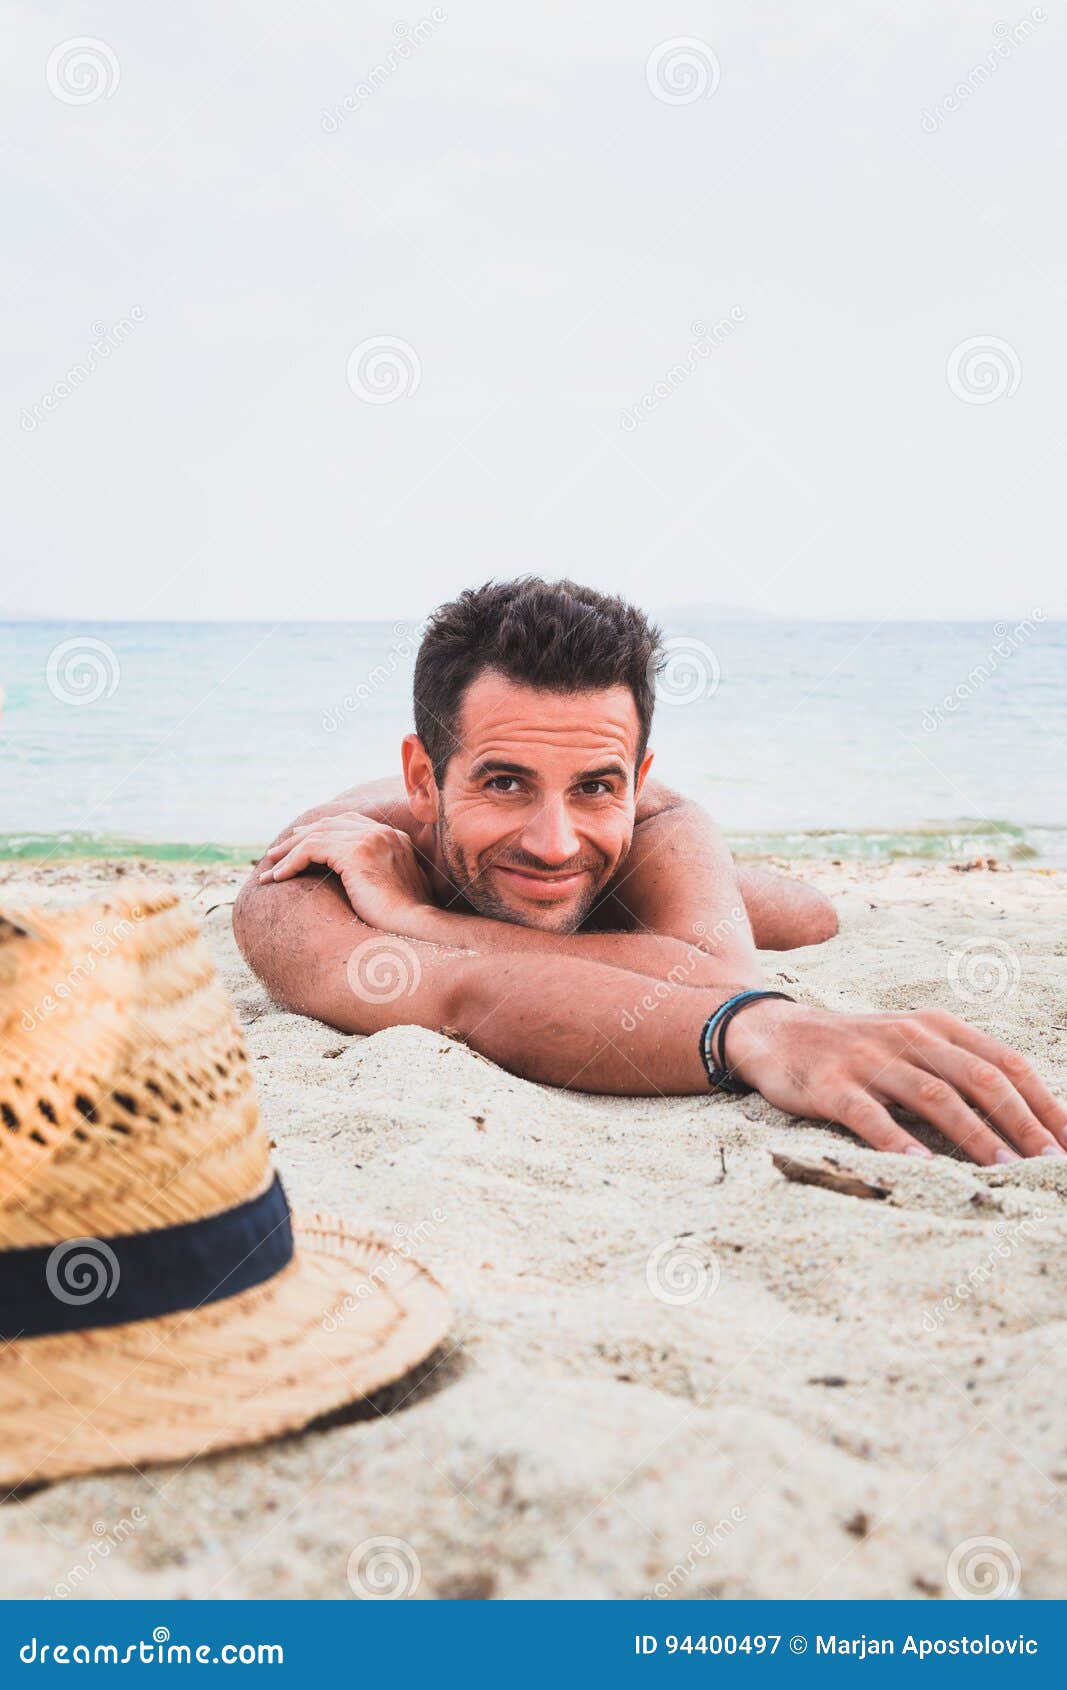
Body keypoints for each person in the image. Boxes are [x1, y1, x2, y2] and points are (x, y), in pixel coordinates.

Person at [234, 578, 1067, 1167]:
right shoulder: (305, 881)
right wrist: (755, 1031)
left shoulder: (659, 817)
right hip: (542, 903)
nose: (555, 840)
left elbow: (718, 974)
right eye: (503, 782)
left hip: (623, 877)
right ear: (423, 781)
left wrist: (423, 922)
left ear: (636, 777)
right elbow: (465, 998)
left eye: (596, 786)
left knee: (809, 916)